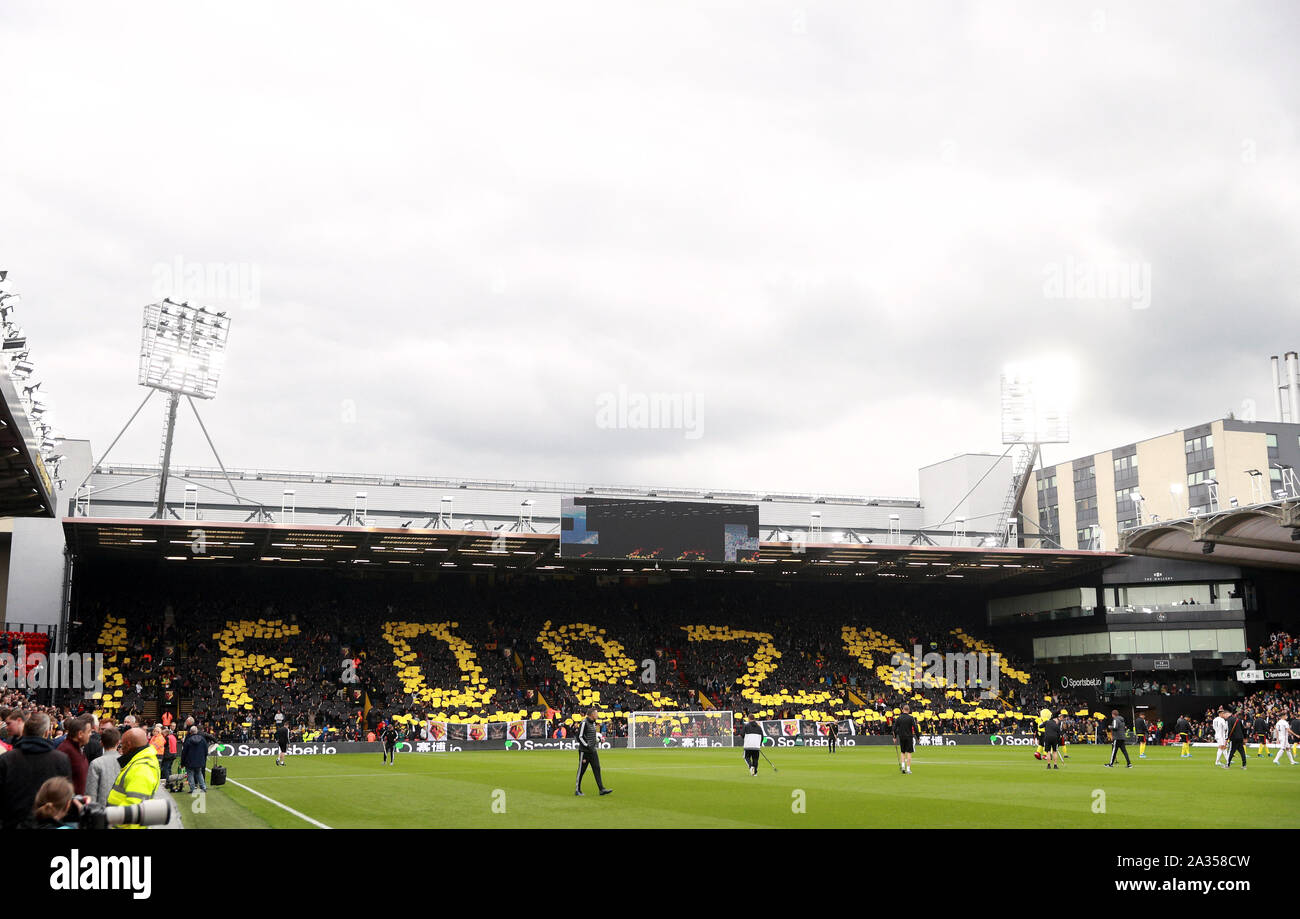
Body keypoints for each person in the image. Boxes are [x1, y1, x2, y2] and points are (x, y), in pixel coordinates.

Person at [0, 713, 71, 830]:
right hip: (47, 824)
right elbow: (64, 795)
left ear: (25, 732)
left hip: (11, 823)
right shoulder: (61, 760)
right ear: (47, 733)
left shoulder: (6, 759)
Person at [108, 727, 161, 827]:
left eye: (121, 745)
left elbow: (135, 811)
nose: (121, 748)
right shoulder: (140, 761)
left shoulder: (142, 768)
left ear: (128, 744)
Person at [574, 707, 611, 796]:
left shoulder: (593, 723)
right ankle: (577, 790)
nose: (597, 715)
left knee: (597, 768)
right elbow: (580, 736)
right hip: (585, 751)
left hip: (593, 750)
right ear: (592, 715)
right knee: (581, 770)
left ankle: (601, 789)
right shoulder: (584, 723)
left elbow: (591, 736)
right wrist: (587, 745)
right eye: (596, 714)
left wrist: (598, 740)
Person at [86, 726, 122, 805]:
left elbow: (91, 792)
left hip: (101, 810)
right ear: (118, 742)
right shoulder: (126, 762)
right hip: (121, 809)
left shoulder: (96, 763)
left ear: (101, 743)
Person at [56, 716, 91, 796]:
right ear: (80, 734)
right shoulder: (65, 751)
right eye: (88, 732)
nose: (90, 734)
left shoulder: (78, 749)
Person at [180, 725, 212, 793]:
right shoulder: (202, 739)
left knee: (190, 774)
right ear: (196, 731)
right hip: (199, 761)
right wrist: (203, 758)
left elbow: (184, 753)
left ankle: (192, 789)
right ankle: (203, 787)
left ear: (190, 732)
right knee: (199, 773)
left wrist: (182, 763)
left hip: (190, 761)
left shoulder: (188, 740)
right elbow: (206, 750)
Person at [894, 704, 918, 774]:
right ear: (909, 710)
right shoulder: (911, 718)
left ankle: (903, 767)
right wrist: (918, 736)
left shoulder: (899, 718)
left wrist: (894, 737)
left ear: (902, 710)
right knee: (909, 753)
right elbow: (915, 728)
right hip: (909, 737)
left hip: (901, 737)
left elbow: (894, 728)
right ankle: (908, 769)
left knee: (902, 752)